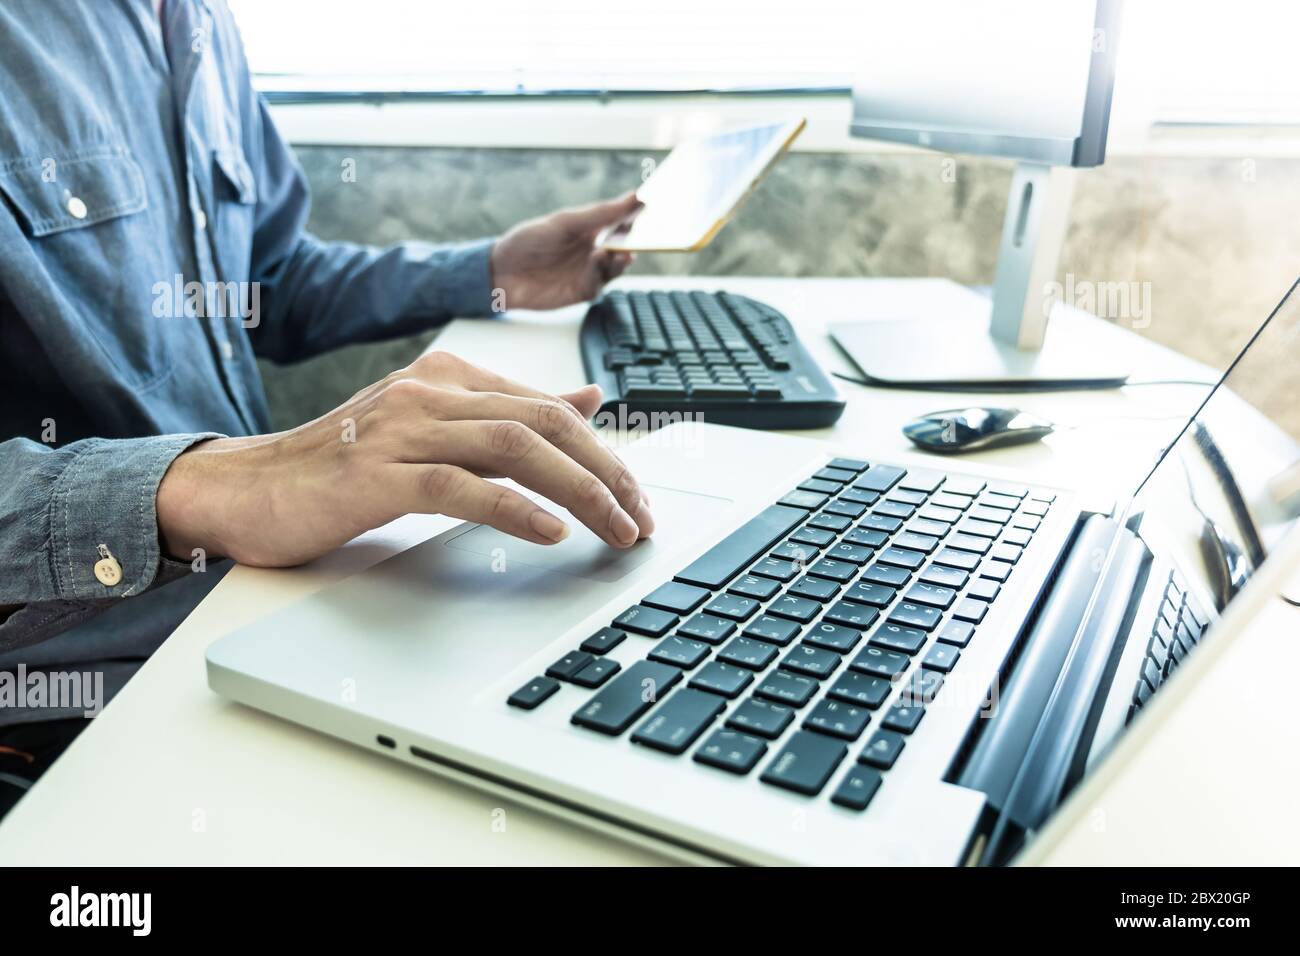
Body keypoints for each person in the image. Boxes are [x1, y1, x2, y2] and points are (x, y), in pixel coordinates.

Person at [0, 0, 653, 813]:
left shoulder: (195, 23)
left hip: (257, 588)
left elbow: (263, 283)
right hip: (79, 672)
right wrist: (212, 487)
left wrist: (485, 271)